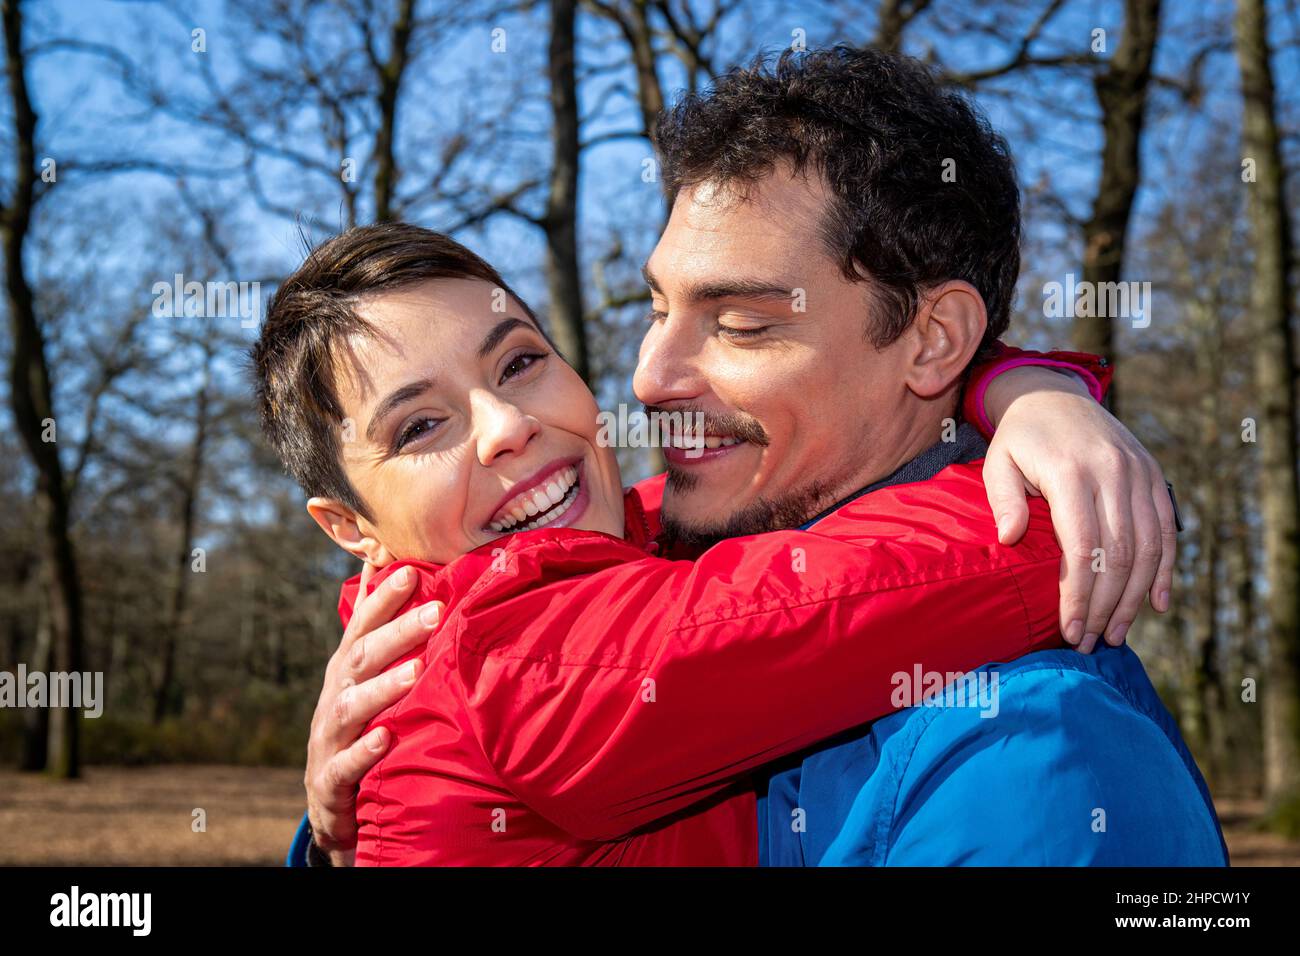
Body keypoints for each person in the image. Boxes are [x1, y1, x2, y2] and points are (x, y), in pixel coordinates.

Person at [296, 46, 1202, 866]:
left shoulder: (1026, 750)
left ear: (934, 341)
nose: (648, 378)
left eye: (741, 324)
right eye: (657, 310)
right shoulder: (594, 592)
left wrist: (1024, 390)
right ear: (349, 527)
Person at [257, 223, 1076, 864]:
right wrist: (1071, 476)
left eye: (517, 364)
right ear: (351, 528)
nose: (509, 427)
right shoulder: (514, 650)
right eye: (421, 425)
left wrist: (1018, 386)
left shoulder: (614, 547)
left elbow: (788, 475)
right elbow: (974, 563)